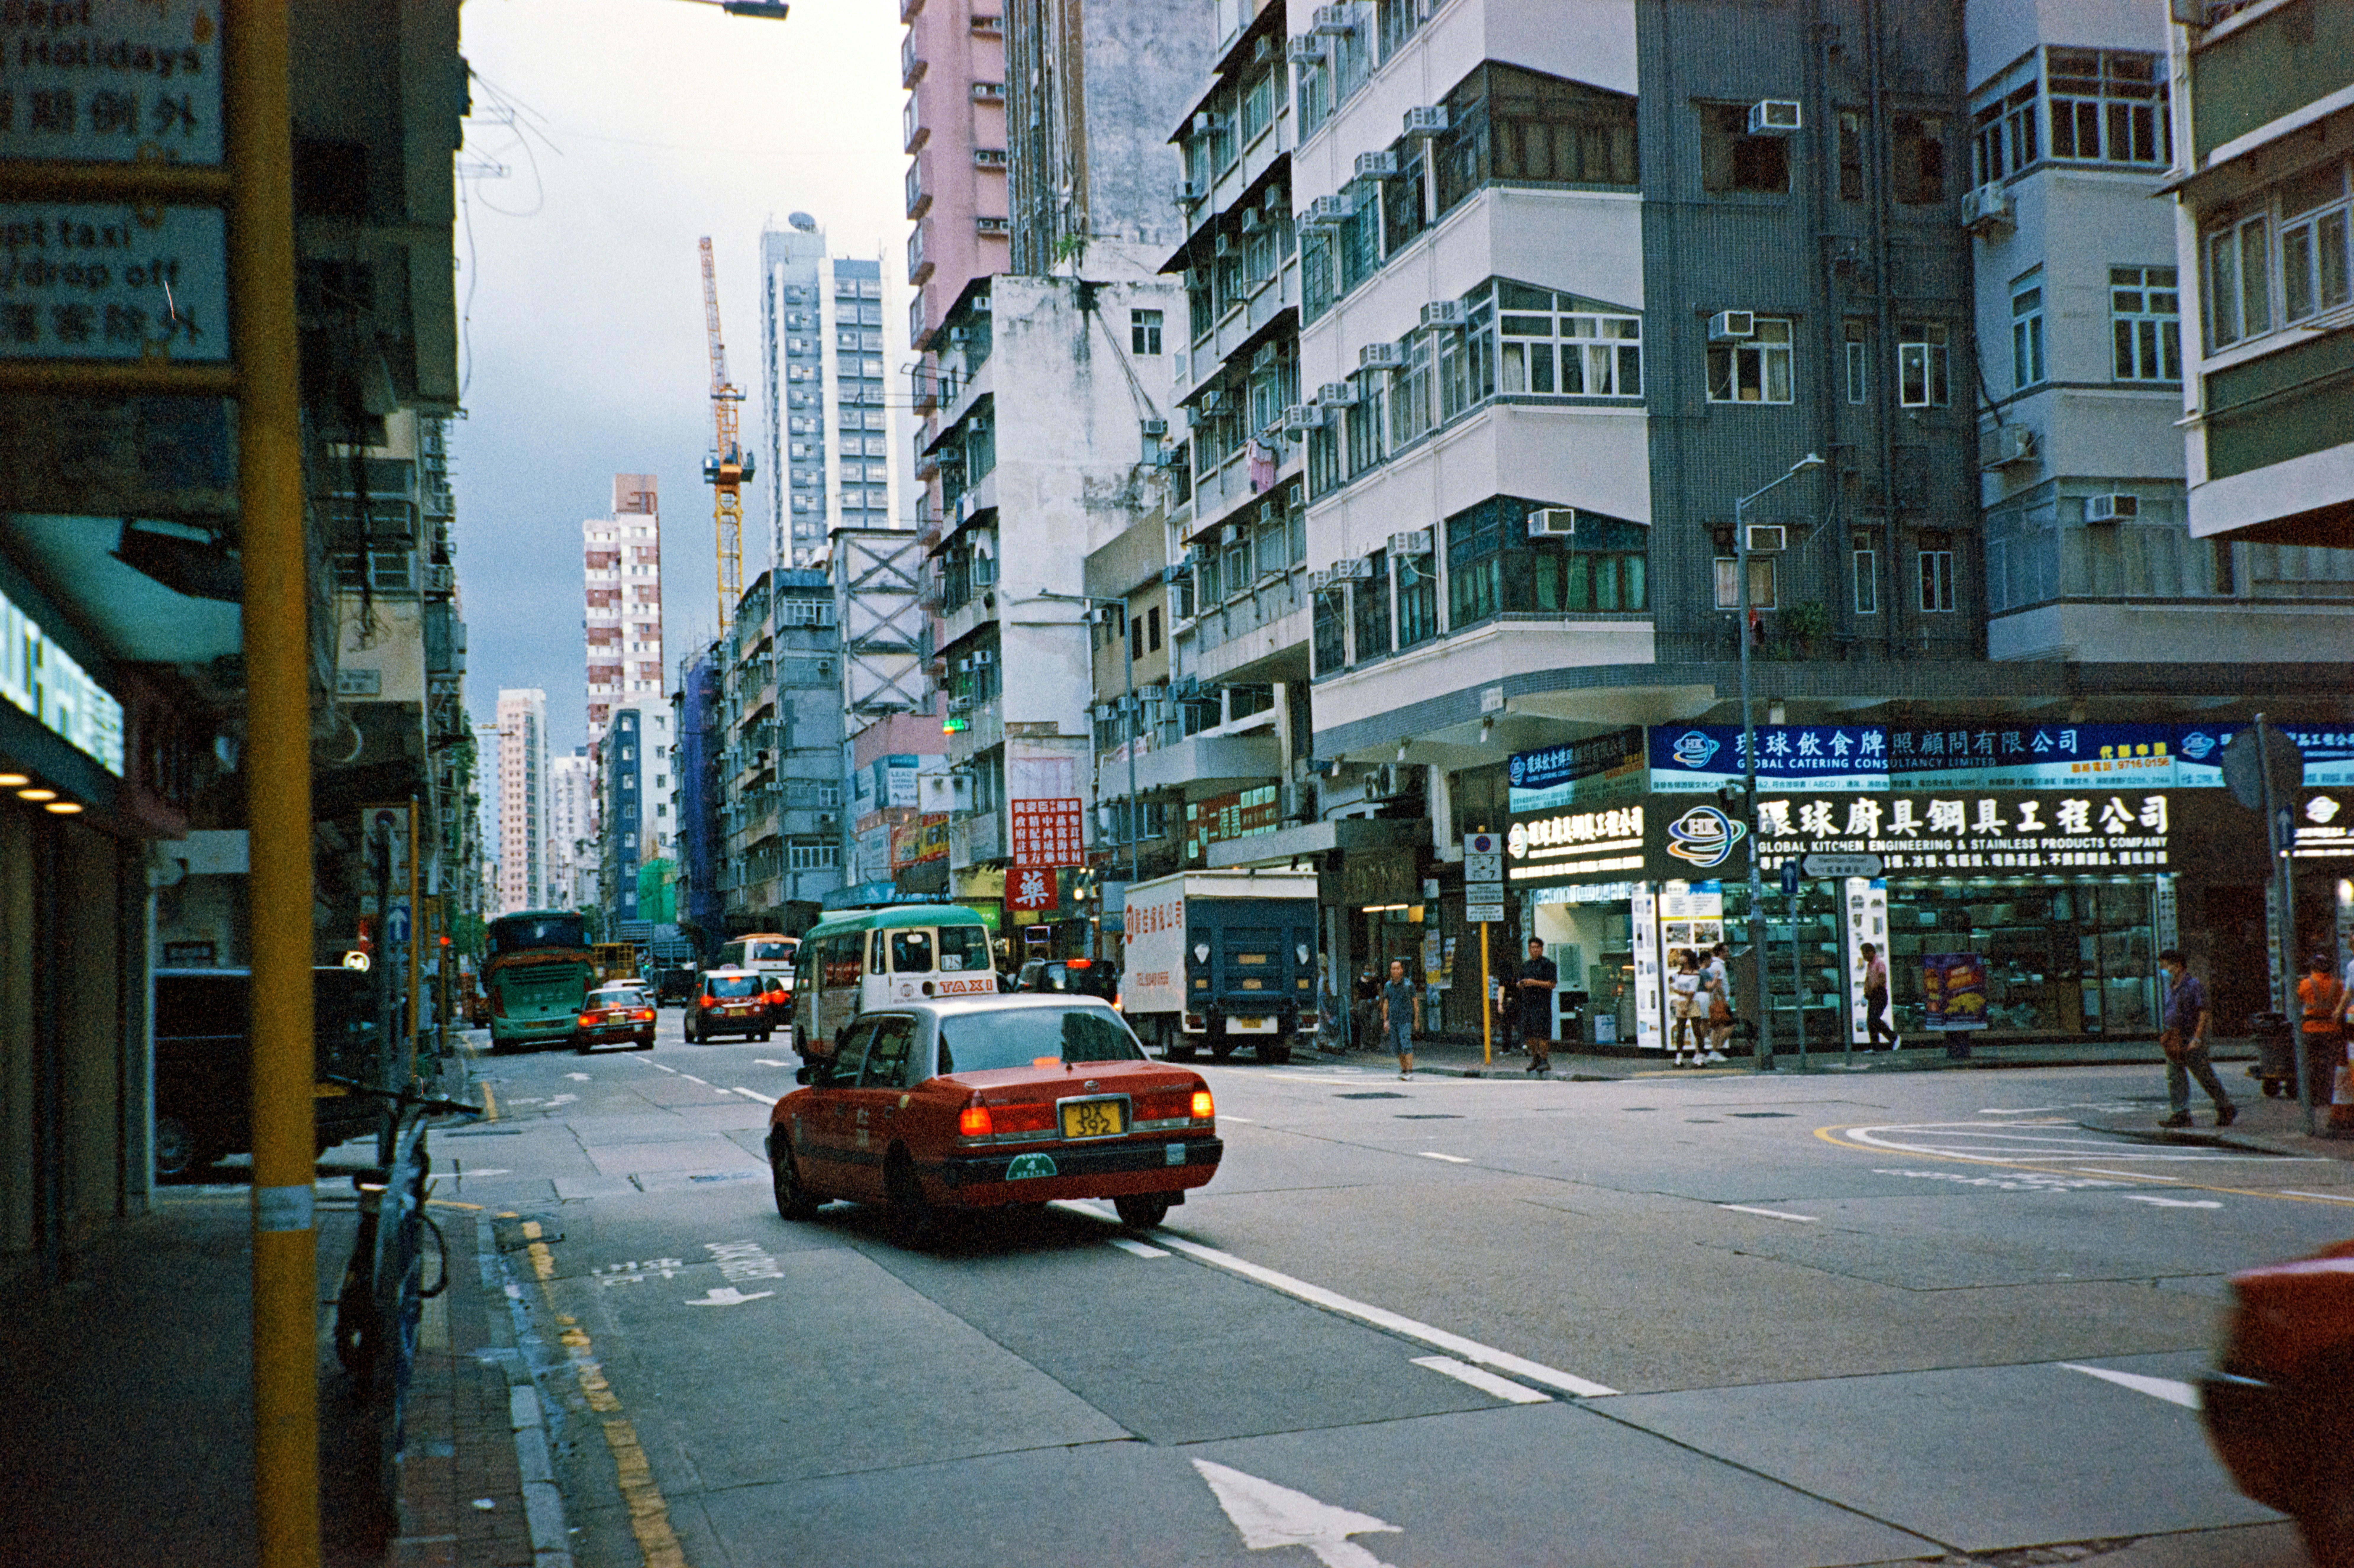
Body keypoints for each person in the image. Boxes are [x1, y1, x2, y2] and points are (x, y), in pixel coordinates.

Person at [2158, 948, 2235, 1129]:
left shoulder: (2194, 985)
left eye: (2166, 966)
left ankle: (2225, 1107)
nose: (2164, 970)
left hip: (2190, 1037)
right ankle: (2181, 1113)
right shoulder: (2172, 986)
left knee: (2204, 1075)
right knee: (2175, 1076)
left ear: (2177, 966)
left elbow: (2204, 1012)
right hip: (2175, 1038)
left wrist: (2197, 1038)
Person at [2298, 951, 2344, 1104]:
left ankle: (2312, 1096)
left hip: (2310, 1029)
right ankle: (2328, 1096)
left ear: (2314, 968)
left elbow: (2298, 1001)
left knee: (2310, 1064)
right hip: (2332, 1030)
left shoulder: (2306, 984)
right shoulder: (2338, 984)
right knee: (2330, 1065)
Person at [1515, 937, 1558, 1076]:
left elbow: (1552, 984)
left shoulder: (1548, 965)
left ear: (1541, 949)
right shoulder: (1525, 966)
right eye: (1532, 948)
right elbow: (1519, 982)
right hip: (1528, 1004)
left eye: (1537, 948)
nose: (1534, 950)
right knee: (1529, 1035)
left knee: (1542, 1034)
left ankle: (1545, 1060)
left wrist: (1534, 983)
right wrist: (1521, 984)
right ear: (1529, 949)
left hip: (1542, 1004)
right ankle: (1536, 1058)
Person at [1382, 957, 1420, 1080]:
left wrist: (1416, 1020)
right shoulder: (1388, 986)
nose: (1396, 971)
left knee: (1406, 1044)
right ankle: (1404, 1070)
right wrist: (1386, 1020)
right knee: (1397, 1046)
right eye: (1393, 969)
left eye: (1398, 968)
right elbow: (1386, 1004)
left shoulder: (1409, 985)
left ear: (1402, 970)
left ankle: (1410, 1071)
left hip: (1405, 1020)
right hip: (1394, 1020)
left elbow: (1415, 1003)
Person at [1667, 948, 1705, 1067]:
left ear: (1688, 958)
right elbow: (1684, 991)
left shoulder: (1695, 973)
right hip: (1682, 1003)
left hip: (1692, 1003)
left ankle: (1699, 1057)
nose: (1681, 958)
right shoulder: (1679, 973)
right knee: (1680, 1032)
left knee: (1697, 1031)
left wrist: (1679, 992)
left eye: (1683, 956)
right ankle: (1679, 1057)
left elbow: (1692, 993)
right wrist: (1683, 993)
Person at [1860, 942, 1900, 1051]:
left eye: (1865, 954)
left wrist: (1873, 988)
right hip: (1873, 995)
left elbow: (1882, 979)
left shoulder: (1879, 963)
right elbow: (1868, 979)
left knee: (1874, 1019)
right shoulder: (1870, 965)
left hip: (1880, 994)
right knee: (1870, 1022)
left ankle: (1894, 1037)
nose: (1864, 957)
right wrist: (1866, 993)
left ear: (1872, 952)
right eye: (1863, 954)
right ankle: (1875, 1047)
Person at [1701, 941, 1734, 1064]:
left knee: (1717, 1027)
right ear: (1720, 952)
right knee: (1730, 1026)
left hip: (1716, 1000)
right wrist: (1724, 1000)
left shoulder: (1715, 965)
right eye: (1726, 951)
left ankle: (1714, 1051)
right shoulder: (1718, 966)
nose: (1728, 953)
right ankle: (1715, 1051)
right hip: (1720, 1000)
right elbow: (1719, 986)